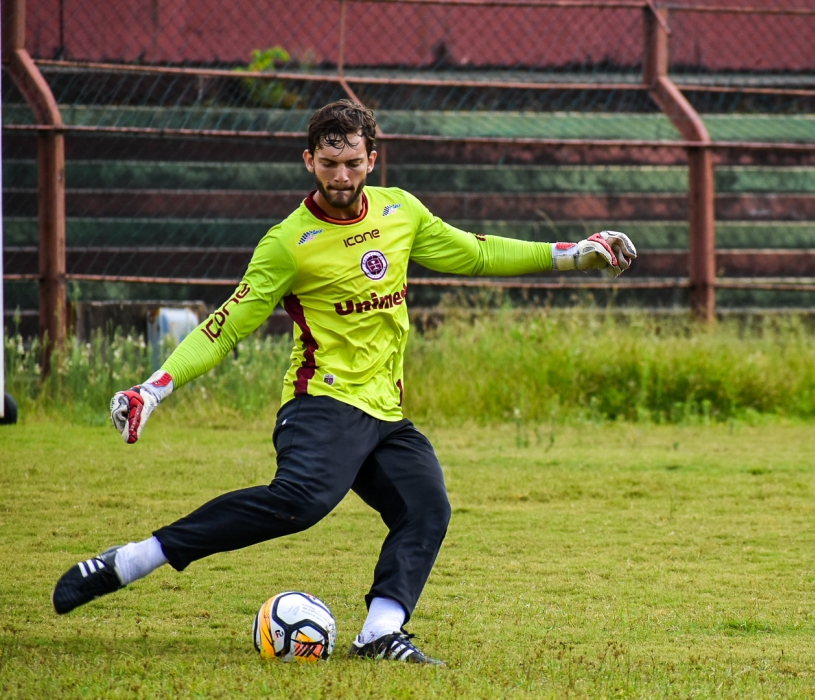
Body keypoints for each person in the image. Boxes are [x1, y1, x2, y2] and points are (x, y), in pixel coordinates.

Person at [51, 99, 637, 665]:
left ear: (372, 159)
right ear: (309, 161)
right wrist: (153, 388)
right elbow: (223, 327)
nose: (342, 175)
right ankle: (134, 559)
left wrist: (573, 255)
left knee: (427, 507)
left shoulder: (400, 211)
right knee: (301, 503)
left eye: (353, 162)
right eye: (329, 164)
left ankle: (381, 633)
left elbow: (477, 253)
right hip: (320, 404)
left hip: (384, 411)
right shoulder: (287, 244)